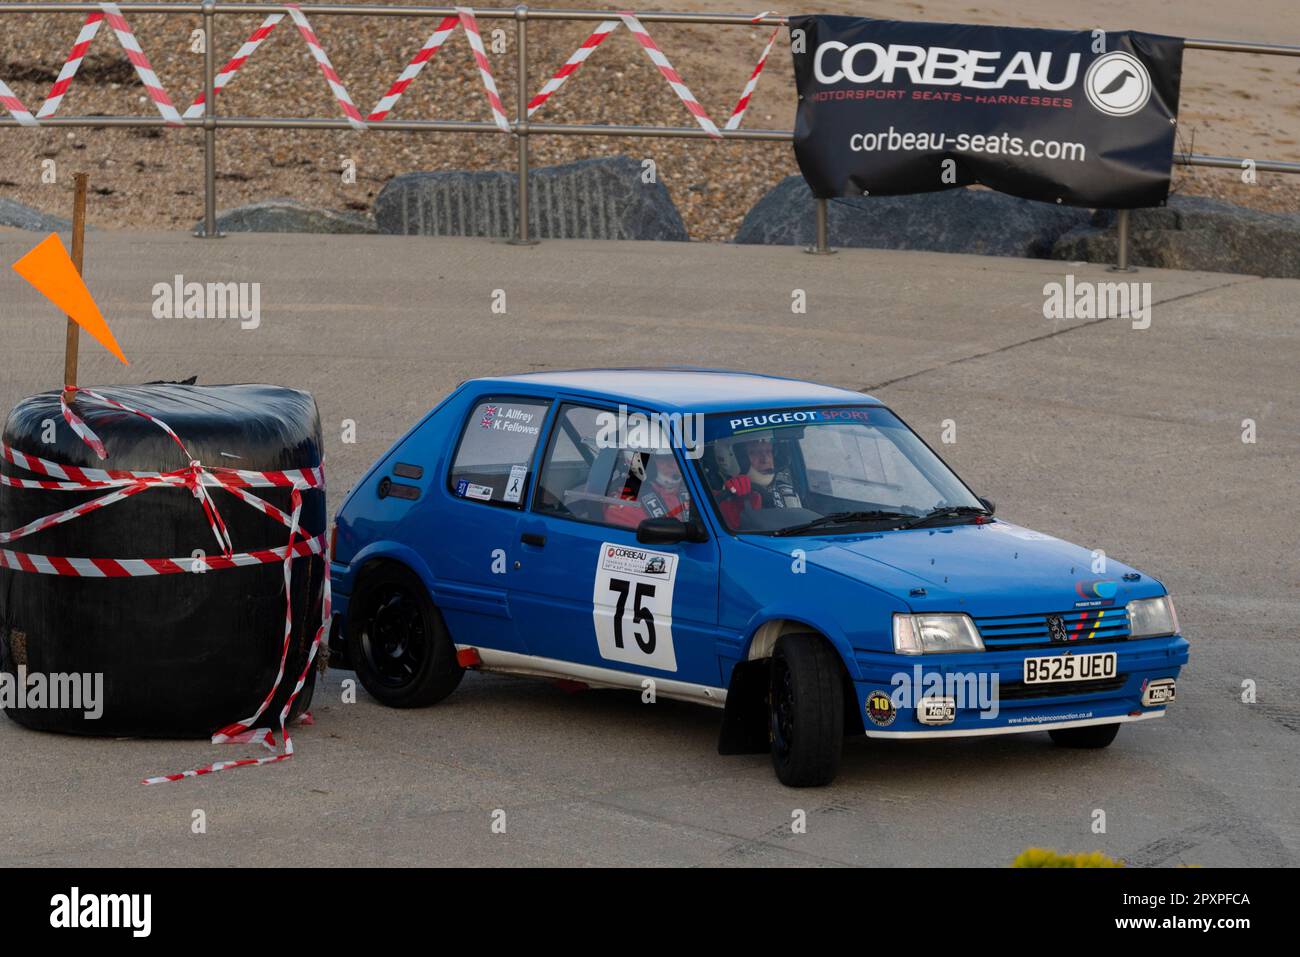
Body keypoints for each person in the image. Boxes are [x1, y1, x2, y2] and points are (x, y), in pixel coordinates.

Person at [718, 433, 801, 528]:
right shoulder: (727, 495)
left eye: (769, 451)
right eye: (753, 453)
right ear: (735, 458)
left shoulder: (788, 489)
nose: (765, 460)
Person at [604, 447, 692, 528]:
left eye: (675, 457)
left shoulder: (695, 485)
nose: (673, 464)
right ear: (642, 463)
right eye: (663, 459)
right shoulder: (624, 509)